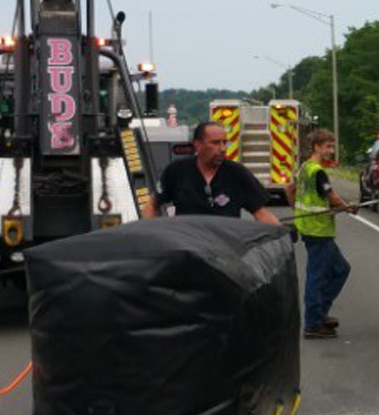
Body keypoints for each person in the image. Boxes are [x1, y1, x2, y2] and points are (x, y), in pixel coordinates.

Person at [289, 129, 356, 340]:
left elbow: (288, 188)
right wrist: (348, 207)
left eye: (332, 146)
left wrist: (298, 214)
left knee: (341, 269)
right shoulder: (317, 171)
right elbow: (332, 197)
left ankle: (320, 313)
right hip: (318, 230)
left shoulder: (304, 168)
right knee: (316, 278)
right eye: (327, 146)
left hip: (311, 227)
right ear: (316, 147)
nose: (331, 150)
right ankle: (312, 324)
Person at [143, 121, 279, 223]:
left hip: (225, 250)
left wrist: (281, 234)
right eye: (215, 143)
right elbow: (153, 204)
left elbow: (261, 213)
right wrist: (147, 233)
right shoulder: (176, 170)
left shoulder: (237, 173)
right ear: (198, 144)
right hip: (187, 248)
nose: (222, 148)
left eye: (224, 143)